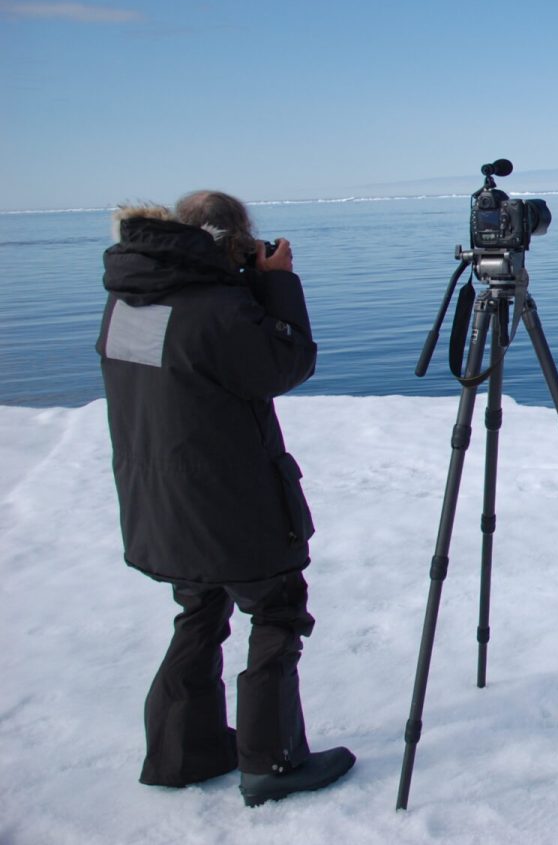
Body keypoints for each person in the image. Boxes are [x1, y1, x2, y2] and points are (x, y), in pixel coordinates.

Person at [96, 190, 354, 807]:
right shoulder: (216, 308)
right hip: (230, 499)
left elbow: (197, 359)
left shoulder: (129, 300)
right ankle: (272, 761)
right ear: (235, 241)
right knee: (276, 609)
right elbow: (284, 363)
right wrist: (278, 287)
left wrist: (243, 285)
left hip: (159, 499)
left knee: (201, 606)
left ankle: (183, 751)